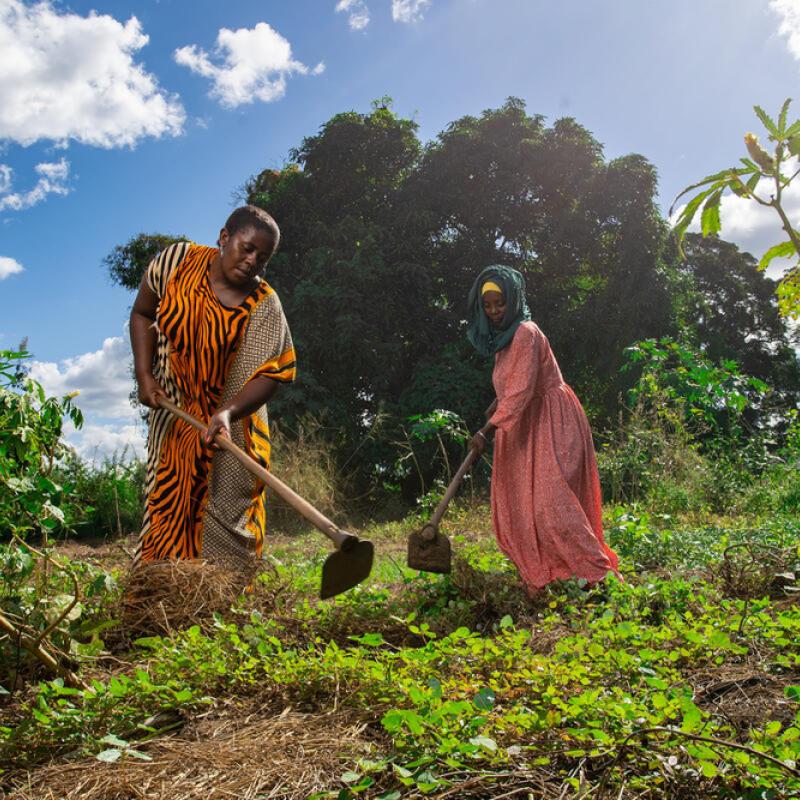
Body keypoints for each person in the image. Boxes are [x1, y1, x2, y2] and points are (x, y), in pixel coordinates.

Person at [130, 205, 296, 568]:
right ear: (224, 237)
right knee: (167, 504)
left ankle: (224, 606)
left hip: (234, 422)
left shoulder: (264, 304)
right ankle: (160, 599)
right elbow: (143, 311)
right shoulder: (176, 262)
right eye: (247, 248)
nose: (253, 261)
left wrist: (227, 411)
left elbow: (272, 372)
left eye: (262, 257)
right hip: (174, 412)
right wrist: (144, 374)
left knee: (228, 515)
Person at [466, 265, 619, 592]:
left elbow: (521, 391)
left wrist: (485, 432)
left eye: (500, 303)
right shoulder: (503, 343)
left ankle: (598, 574)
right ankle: (559, 575)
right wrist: (496, 405)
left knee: (553, 505)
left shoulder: (526, 332)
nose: (493, 311)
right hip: (524, 428)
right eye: (488, 305)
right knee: (526, 508)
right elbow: (513, 386)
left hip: (552, 423)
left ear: (514, 299)